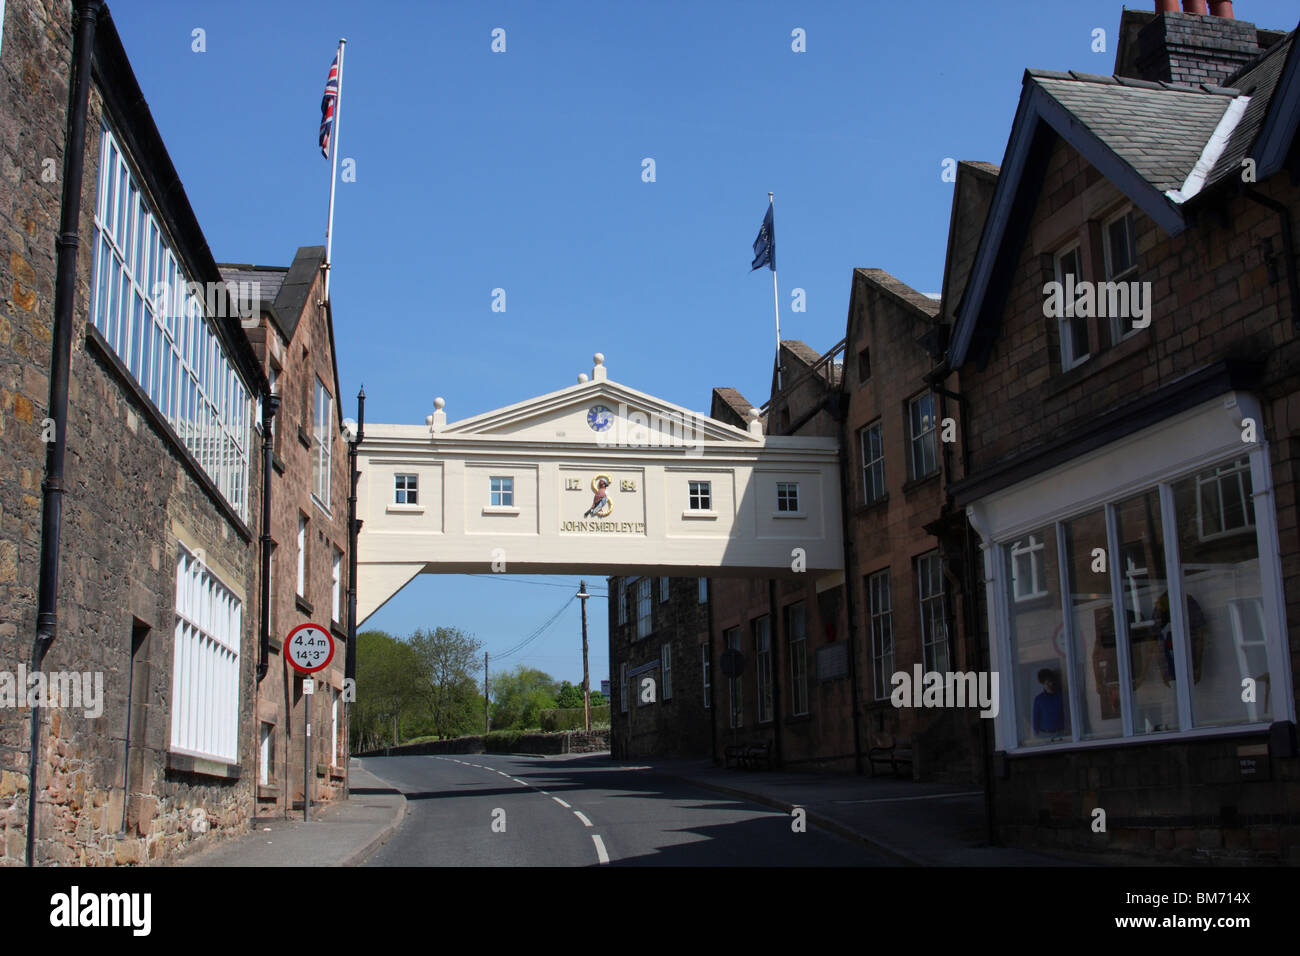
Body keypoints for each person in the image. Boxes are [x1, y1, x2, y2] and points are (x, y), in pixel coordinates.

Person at [1033, 667, 1066, 737]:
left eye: (1049, 682)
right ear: (1042, 684)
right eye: (1045, 683)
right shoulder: (1039, 699)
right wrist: (1036, 733)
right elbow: (1036, 718)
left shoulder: (1062, 696)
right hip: (1045, 734)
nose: (1048, 685)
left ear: (1053, 681)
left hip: (1061, 733)